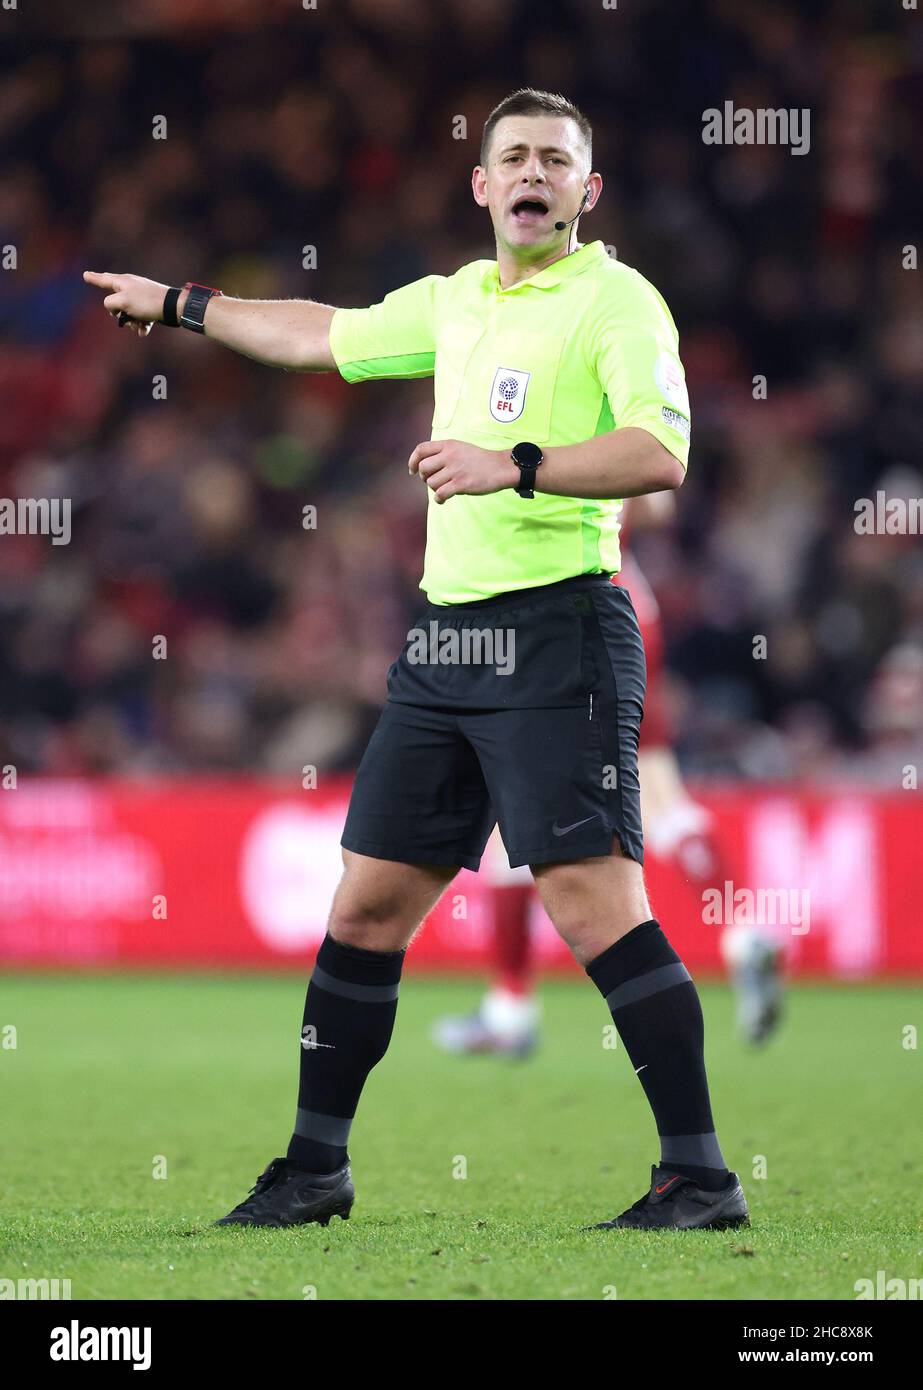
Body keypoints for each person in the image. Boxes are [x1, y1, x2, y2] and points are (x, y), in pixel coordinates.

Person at [84, 87, 748, 1232]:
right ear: (482, 185)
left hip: (559, 633)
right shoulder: (452, 302)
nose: (532, 174)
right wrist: (183, 305)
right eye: (512, 158)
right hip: (445, 641)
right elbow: (315, 329)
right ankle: (313, 1169)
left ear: (585, 192)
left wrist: (515, 464)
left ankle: (698, 1175)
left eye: (555, 159)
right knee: (366, 908)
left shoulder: (618, 303)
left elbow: (660, 450)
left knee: (593, 907)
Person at [433, 496, 783, 1058]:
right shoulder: (606, 427)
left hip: (555, 615)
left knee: (508, 812)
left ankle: (510, 1010)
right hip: (630, 608)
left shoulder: (518, 432)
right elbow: (660, 504)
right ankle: (743, 931)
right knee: (660, 789)